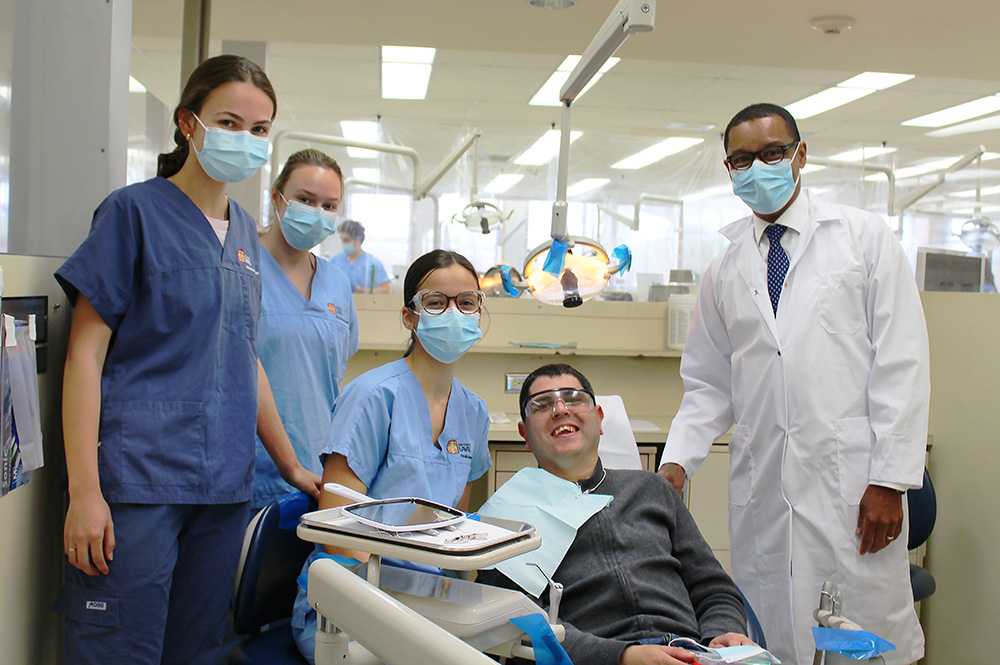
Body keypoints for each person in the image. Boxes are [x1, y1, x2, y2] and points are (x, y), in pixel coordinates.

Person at [53, 55, 321, 665]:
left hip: (221, 488)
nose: (246, 140)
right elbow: (85, 355)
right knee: (118, 649)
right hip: (137, 484)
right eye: (230, 121)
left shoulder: (247, 233)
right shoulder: (133, 213)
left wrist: (291, 464)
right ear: (188, 123)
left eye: (259, 130)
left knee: (197, 651)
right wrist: (85, 493)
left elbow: (243, 357)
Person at [658, 103, 929, 665]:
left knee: (861, 638)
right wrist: (677, 461)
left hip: (853, 486)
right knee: (772, 635)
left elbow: (902, 363)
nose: (757, 168)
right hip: (765, 491)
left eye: (772, 153)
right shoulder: (726, 267)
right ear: (728, 170)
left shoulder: (863, 239)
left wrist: (890, 480)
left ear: (800, 155)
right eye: (741, 160)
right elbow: (709, 383)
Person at [291, 249, 493, 663]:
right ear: (409, 316)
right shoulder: (372, 397)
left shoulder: (472, 411)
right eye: (437, 302)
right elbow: (338, 530)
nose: (454, 312)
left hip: (428, 595)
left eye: (467, 302)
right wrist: (400, 609)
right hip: (351, 598)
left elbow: (453, 526)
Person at [479, 363, 753, 665]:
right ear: (525, 434)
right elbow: (521, 623)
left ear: (598, 419)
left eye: (573, 399)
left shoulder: (651, 490)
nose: (560, 409)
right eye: (542, 405)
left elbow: (713, 588)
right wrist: (623, 657)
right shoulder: (506, 519)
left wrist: (723, 632)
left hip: (692, 653)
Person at [252, 149, 359, 510]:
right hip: (251, 474)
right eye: (305, 199)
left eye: (329, 206)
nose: (317, 213)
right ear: (276, 197)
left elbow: (329, 375)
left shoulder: (337, 284)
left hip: (318, 476)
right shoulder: (240, 268)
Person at [330, 219, 391, 293]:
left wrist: (358, 289)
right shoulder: (334, 261)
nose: (343, 243)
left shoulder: (373, 263)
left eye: (346, 240)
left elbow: (385, 290)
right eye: (342, 240)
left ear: (359, 239)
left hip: (364, 303)